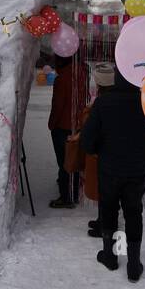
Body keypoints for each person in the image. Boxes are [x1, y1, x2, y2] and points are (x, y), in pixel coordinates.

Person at [80, 63, 145, 281]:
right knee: (133, 213)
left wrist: (98, 151)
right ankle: (134, 265)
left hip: (109, 170)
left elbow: (87, 140)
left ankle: (111, 256)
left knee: (109, 210)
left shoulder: (103, 102)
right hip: (137, 170)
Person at [47, 52, 89, 208]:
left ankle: (66, 197)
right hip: (78, 124)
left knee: (64, 162)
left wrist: (52, 124)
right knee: (74, 158)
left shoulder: (62, 79)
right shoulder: (83, 73)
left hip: (63, 126)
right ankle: (74, 191)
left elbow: (58, 105)